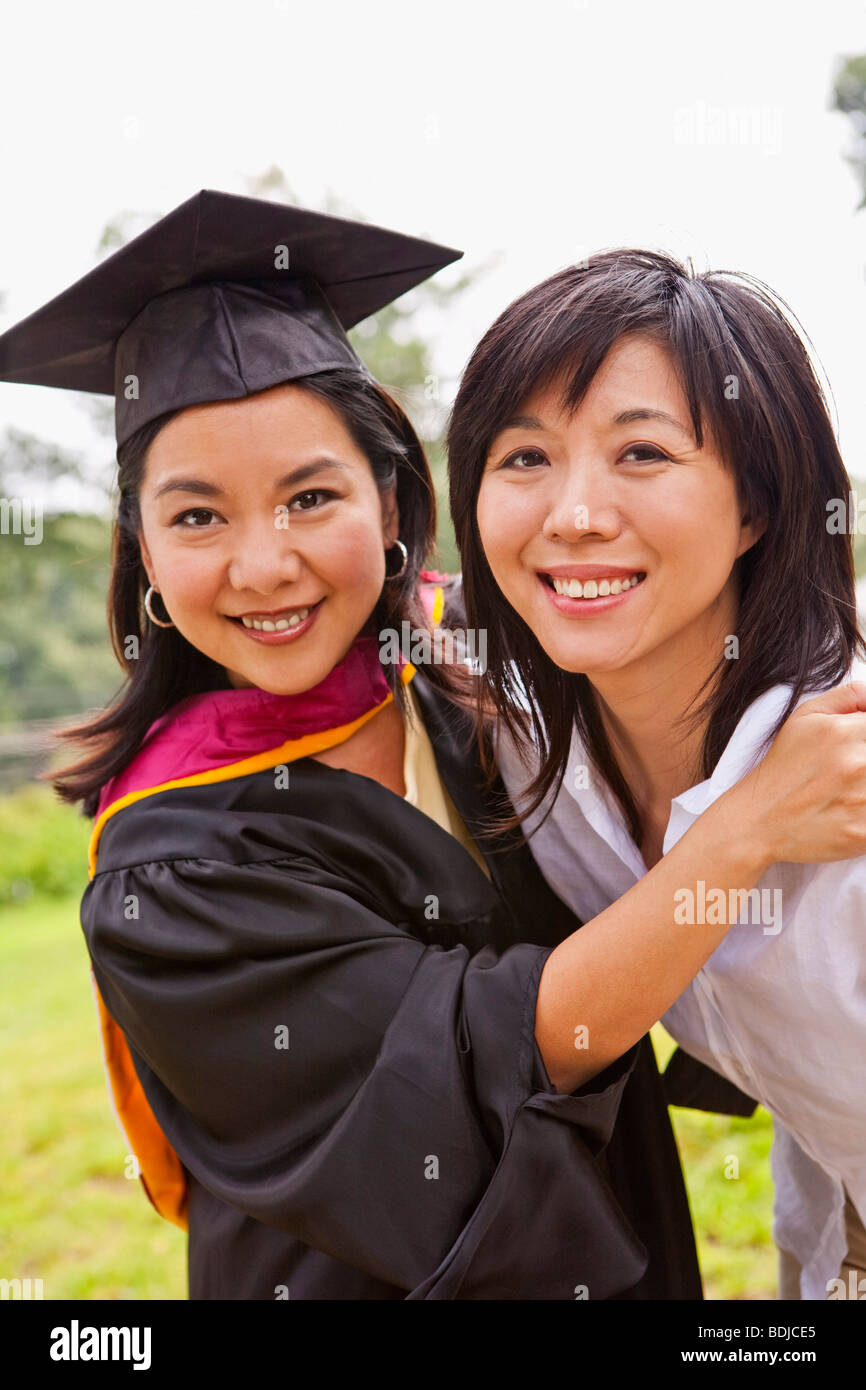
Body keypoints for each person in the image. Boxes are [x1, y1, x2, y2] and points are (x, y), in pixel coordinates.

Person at [4, 194, 866, 1300]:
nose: (264, 564)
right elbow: (489, 1053)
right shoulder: (168, 865)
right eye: (196, 516)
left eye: (310, 496)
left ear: (392, 498)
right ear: (145, 555)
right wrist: (742, 836)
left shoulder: (478, 696)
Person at [445, 247, 866, 1300]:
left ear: (755, 507)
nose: (573, 514)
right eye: (523, 457)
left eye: (640, 453)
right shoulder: (534, 749)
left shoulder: (849, 767)